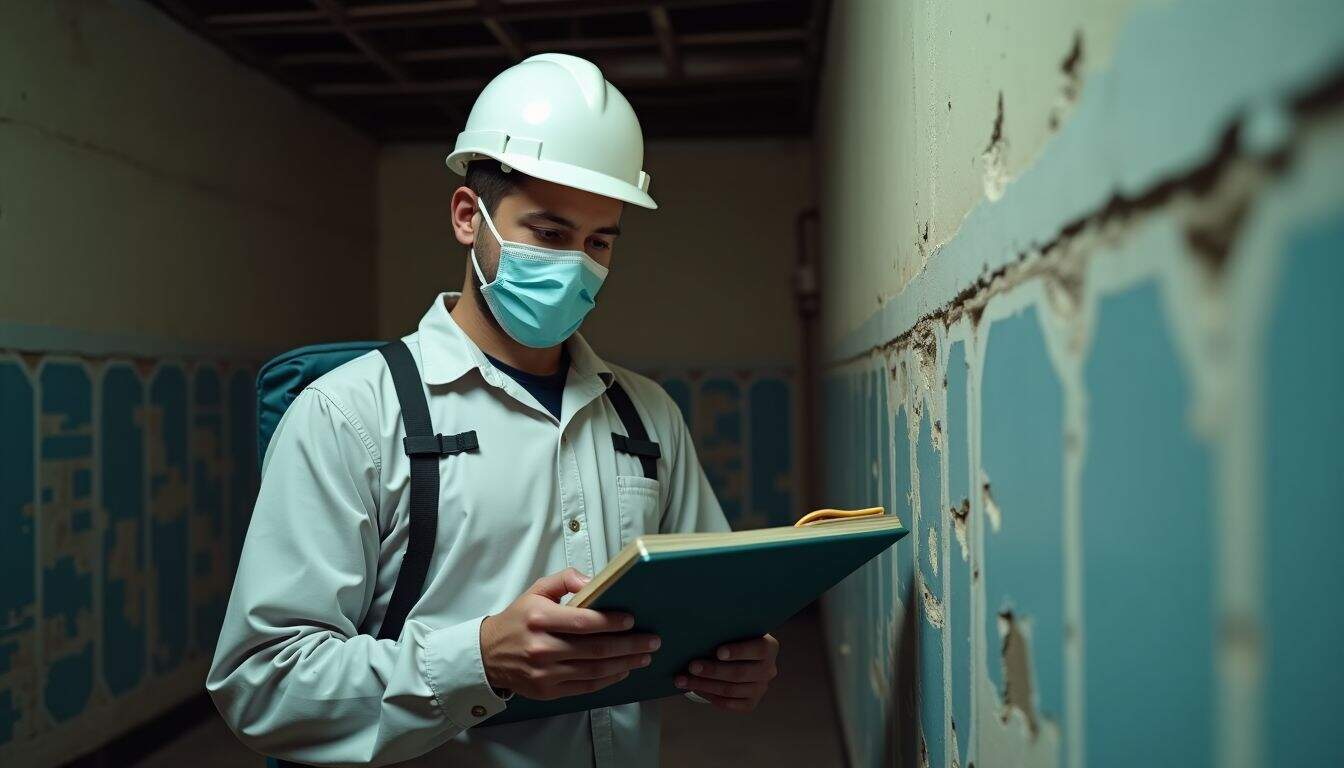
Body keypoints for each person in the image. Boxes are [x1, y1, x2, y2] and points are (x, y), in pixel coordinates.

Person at [206, 52, 779, 767]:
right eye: (548, 233)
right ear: (468, 217)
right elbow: (262, 684)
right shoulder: (347, 416)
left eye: (599, 241)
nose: (577, 265)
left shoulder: (648, 417)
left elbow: (707, 614)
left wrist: (732, 664)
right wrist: (479, 660)